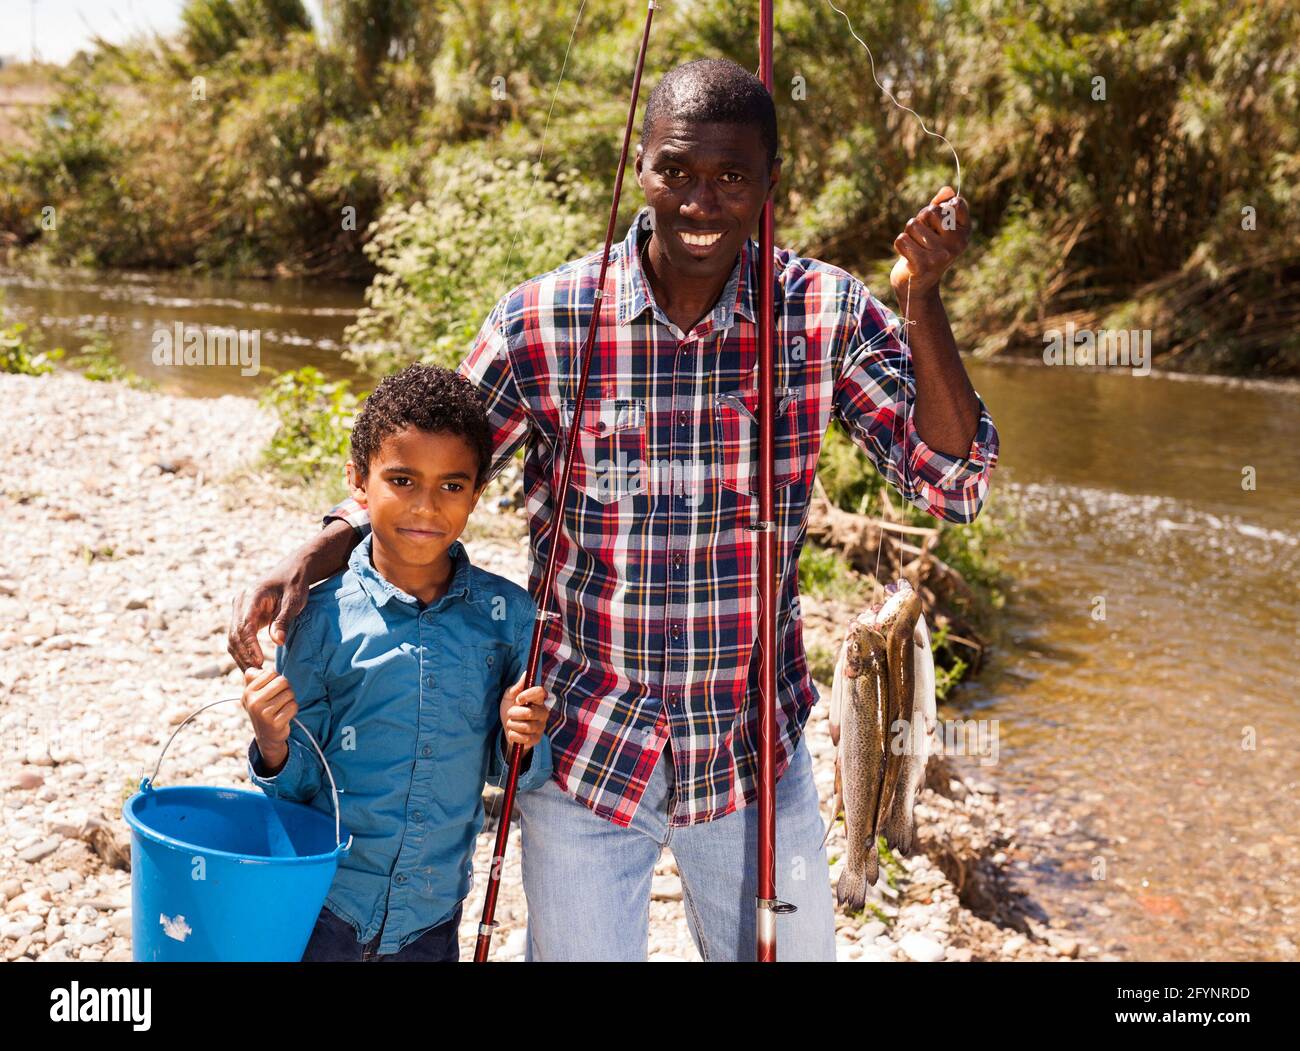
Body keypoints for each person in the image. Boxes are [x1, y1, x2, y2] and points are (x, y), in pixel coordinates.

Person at [229, 58, 999, 961]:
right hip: (583, 748)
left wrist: (924, 301)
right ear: (642, 167)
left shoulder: (822, 313)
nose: (700, 202)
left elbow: (952, 482)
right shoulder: (546, 321)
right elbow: (426, 465)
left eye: (731, 178)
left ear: (769, 184)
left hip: (755, 759)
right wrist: (319, 546)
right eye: (677, 171)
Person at [240, 364, 552, 962]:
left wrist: (523, 738)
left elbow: (508, 774)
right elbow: (298, 785)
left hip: (431, 915)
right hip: (324, 904)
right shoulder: (316, 618)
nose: (427, 506)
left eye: (452, 486)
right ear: (359, 482)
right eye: (403, 480)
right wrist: (271, 739)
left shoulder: (507, 616)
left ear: (478, 494)